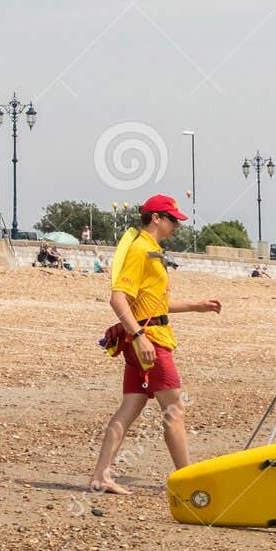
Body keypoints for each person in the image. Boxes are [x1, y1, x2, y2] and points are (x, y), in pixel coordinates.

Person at [88, 194, 221, 495]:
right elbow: (117, 298)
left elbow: (153, 303)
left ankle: (100, 476)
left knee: (130, 407)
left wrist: (195, 305)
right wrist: (139, 336)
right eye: (172, 219)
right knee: (174, 410)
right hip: (151, 344)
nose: (177, 225)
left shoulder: (150, 249)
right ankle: (188, 481)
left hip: (144, 341)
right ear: (156, 218)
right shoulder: (141, 250)